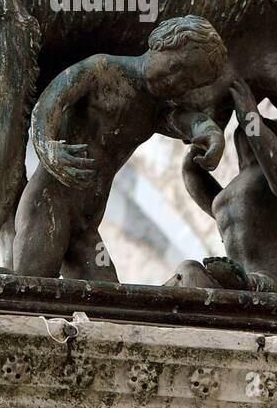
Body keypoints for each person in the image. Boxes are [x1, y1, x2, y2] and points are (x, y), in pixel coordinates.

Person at [13, 15, 228, 280]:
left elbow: (186, 122)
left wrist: (210, 133)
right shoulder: (102, 70)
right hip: (48, 203)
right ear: (160, 43)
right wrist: (49, 149)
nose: (174, 80)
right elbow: (48, 106)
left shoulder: (155, 109)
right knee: (29, 288)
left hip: (88, 222)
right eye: (175, 66)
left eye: (186, 82)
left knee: (107, 302)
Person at [168, 79, 277, 295]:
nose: (262, 126)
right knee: (188, 271)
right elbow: (191, 171)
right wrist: (209, 128)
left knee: (243, 280)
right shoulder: (234, 191)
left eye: (272, 127)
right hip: (242, 285)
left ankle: (243, 284)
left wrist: (251, 119)